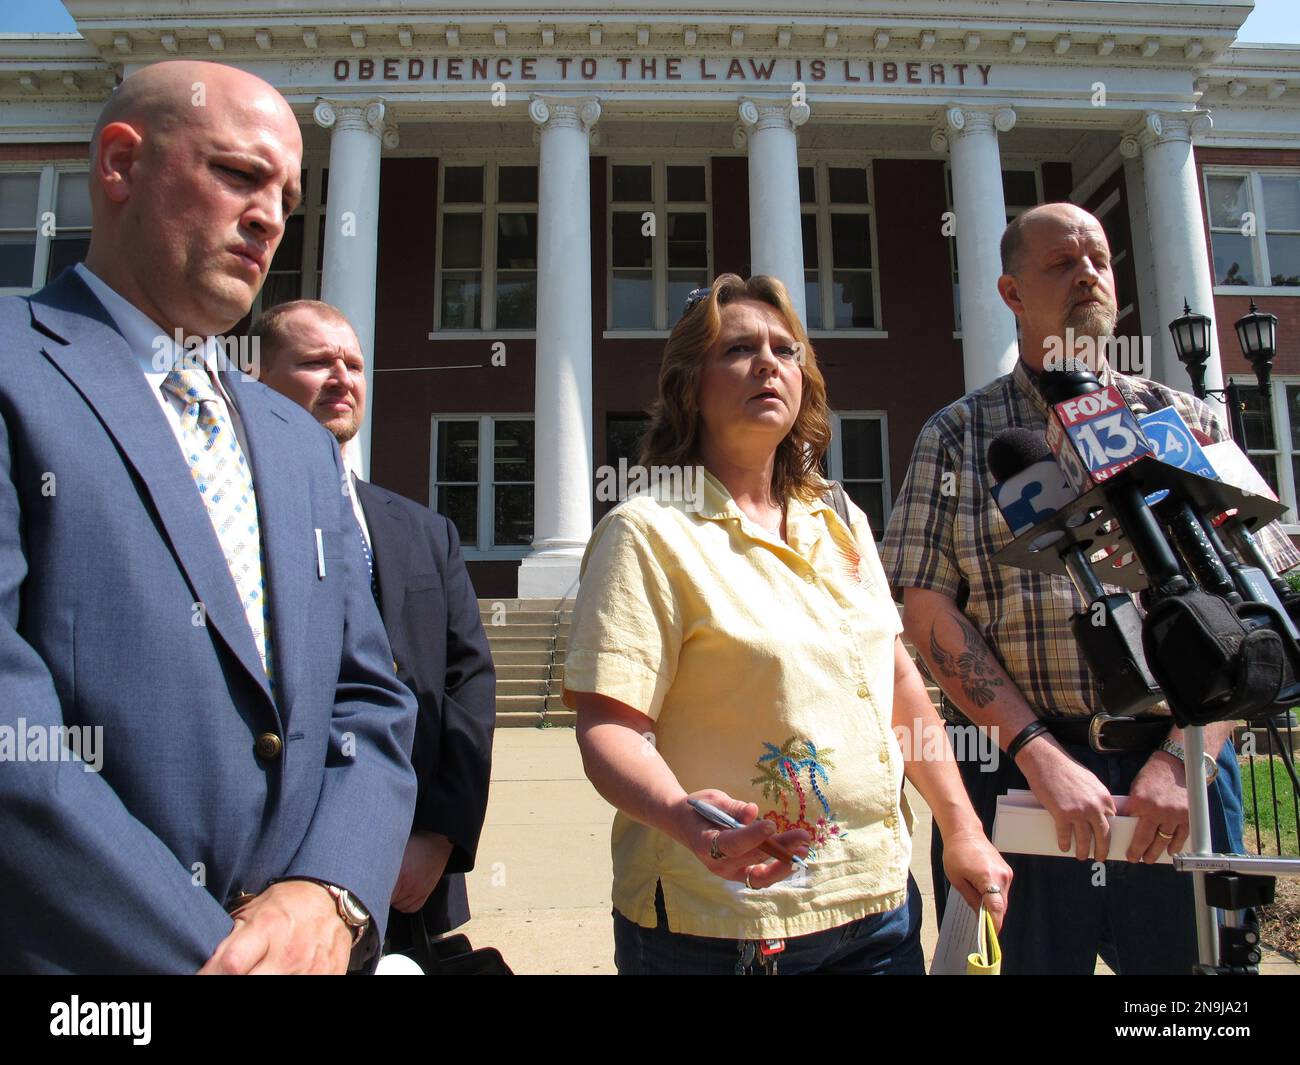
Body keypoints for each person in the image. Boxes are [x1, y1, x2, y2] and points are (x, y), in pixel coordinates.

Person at [0, 60, 419, 974]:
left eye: (288, 194)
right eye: (238, 174)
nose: (271, 215)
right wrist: (221, 955)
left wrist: (330, 892)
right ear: (120, 164)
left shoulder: (296, 439)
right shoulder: (13, 368)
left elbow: (369, 697)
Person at [881, 201, 1300, 975]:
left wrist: (1184, 758)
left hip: (1179, 786)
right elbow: (927, 609)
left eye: (1099, 261)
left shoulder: (1187, 423)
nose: (1088, 276)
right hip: (1020, 781)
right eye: (1062, 264)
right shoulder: (958, 436)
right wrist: (1038, 752)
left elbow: (1258, 617)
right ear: (1012, 293)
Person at [564, 274, 1011, 975]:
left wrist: (962, 826)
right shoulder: (645, 533)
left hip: (878, 904)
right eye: (739, 348)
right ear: (690, 385)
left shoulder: (841, 521)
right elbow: (610, 727)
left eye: (785, 348)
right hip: (723, 920)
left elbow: (896, 680)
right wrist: (683, 816)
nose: (769, 362)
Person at [252, 299, 496, 952]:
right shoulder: (228, 517)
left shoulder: (424, 530)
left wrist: (439, 834)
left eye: (353, 363)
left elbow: (467, 680)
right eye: (315, 362)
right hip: (271, 878)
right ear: (256, 377)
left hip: (409, 879)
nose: (342, 377)